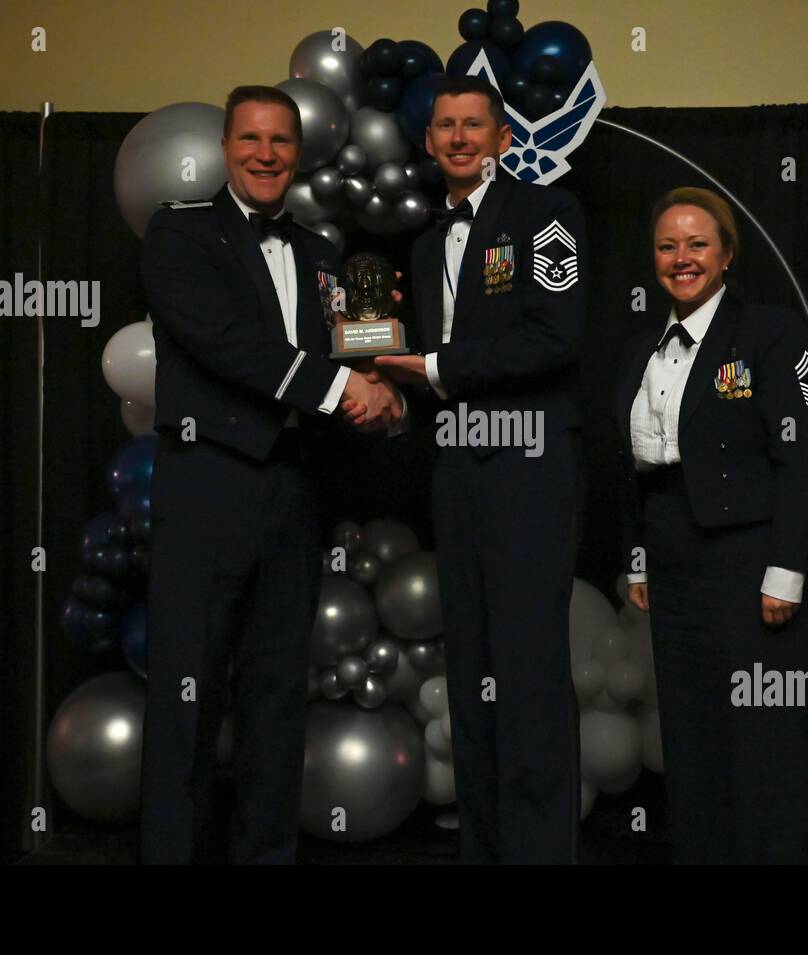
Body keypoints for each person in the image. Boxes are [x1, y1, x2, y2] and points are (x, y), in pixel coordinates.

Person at [138, 85, 402, 864]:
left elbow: (357, 353)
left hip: (292, 490)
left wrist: (385, 394)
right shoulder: (179, 234)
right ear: (225, 148)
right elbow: (227, 344)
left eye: (280, 141)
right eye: (250, 139)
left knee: (278, 698)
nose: (264, 154)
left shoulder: (324, 252)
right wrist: (339, 388)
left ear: (299, 153)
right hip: (206, 488)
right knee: (187, 698)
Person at [374, 75, 588, 864]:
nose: (460, 138)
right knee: (472, 674)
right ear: (427, 143)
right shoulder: (426, 244)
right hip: (457, 472)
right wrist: (387, 391)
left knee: (528, 675)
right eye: (445, 127)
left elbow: (554, 337)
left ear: (502, 137)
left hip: (531, 467)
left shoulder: (547, 215)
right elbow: (424, 370)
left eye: (475, 125)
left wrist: (428, 368)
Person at [614, 187, 808, 863]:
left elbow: (800, 455)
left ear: (728, 254)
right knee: (693, 731)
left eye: (697, 243)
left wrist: (786, 570)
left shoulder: (769, 331)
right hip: (674, 559)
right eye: (667, 245)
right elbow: (636, 467)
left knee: (759, 736)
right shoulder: (641, 347)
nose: (682, 258)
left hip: (750, 559)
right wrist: (640, 556)